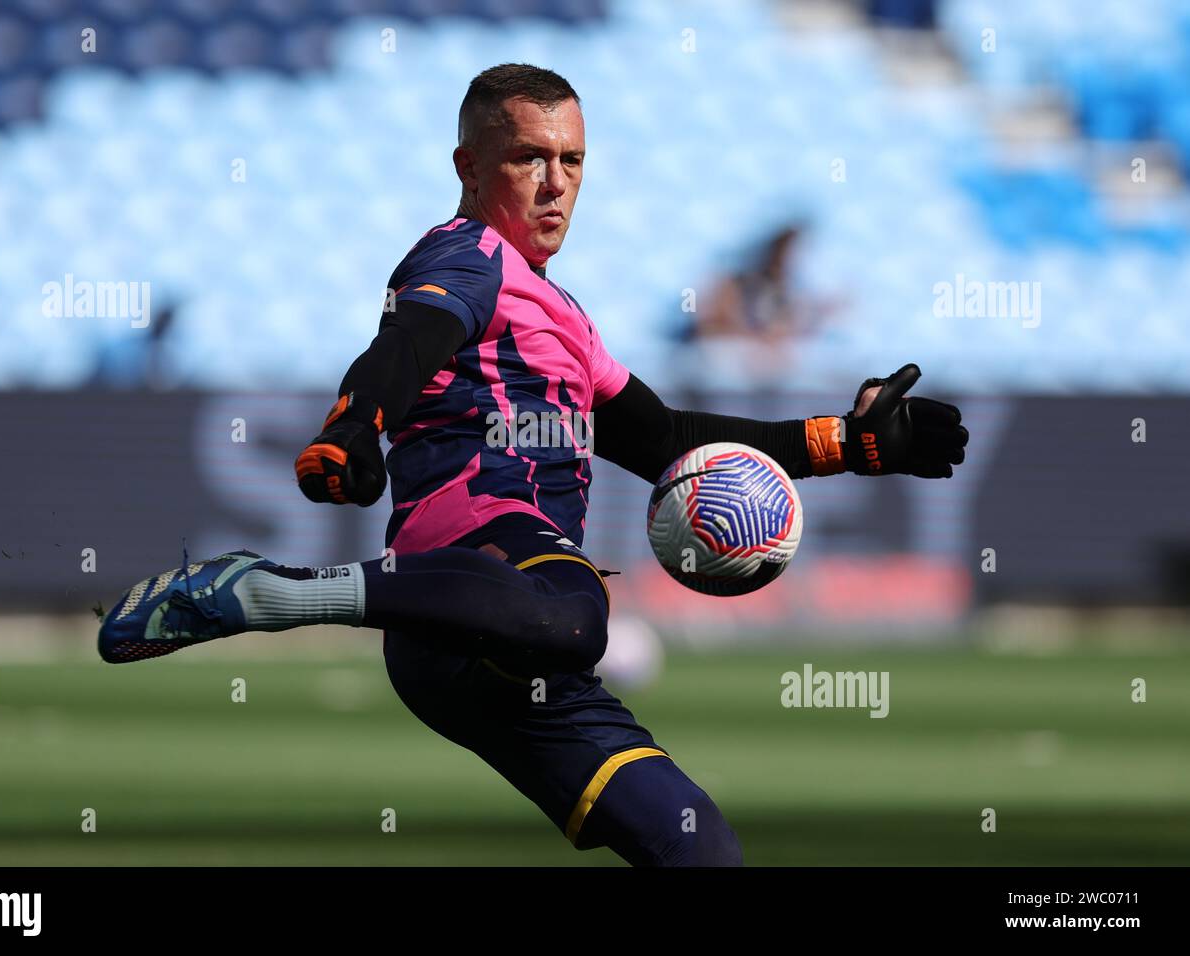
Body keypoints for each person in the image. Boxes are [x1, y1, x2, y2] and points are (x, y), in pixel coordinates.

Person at [97, 64, 968, 866]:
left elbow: (664, 441)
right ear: (470, 166)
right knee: (583, 609)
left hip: (513, 645)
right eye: (529, 158)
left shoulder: (562, 313)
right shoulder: (463, 258)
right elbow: (410, 342)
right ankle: (276, 593)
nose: (556, 184)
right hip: (484, 557)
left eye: (573, 161)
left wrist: (846, 444)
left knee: (700, 852)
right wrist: (354, 424)